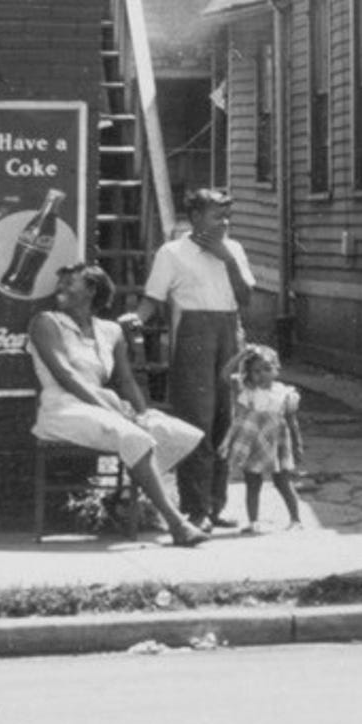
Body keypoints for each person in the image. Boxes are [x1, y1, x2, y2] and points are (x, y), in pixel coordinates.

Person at [27, 264, 205, 548]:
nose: (60, 289)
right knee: (133, 436)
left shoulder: (110, 331)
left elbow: (125, 379)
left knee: (176, 432)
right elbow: (65, 375)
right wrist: (116, 414)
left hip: (102, 407)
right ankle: (177, 523)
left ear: (92, 290)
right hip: (62, 408)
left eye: (69, 283)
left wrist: (142, 412)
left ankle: (123, 502)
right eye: (59, 284)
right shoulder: (46, 322)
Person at [135, 187, 254, 531]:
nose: (225, 222)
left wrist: (226, 257)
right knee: (197, 419)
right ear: (196, 217)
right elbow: (153, 298)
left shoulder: (234, 249)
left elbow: (245, 297)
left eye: (228, 215)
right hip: (193, 335)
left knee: (225, 420)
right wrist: (136, 320)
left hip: (229, 333)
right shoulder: (172, 252)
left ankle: (217, 505)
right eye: (218, 215)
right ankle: (195, 508)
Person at [219, 342, 308, 532]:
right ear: (249, 373)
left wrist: (297, 445)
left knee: (282, 481)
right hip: (253, 441)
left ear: (277, 369)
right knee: (253, 482)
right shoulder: (246, 390)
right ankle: (253, 522)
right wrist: (242, 355)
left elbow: (292, 421)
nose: (262, 374)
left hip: (277, 441)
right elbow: (225, 375)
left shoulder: (285, 393)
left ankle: (296, 519)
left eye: (267, 369)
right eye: (256, 371)